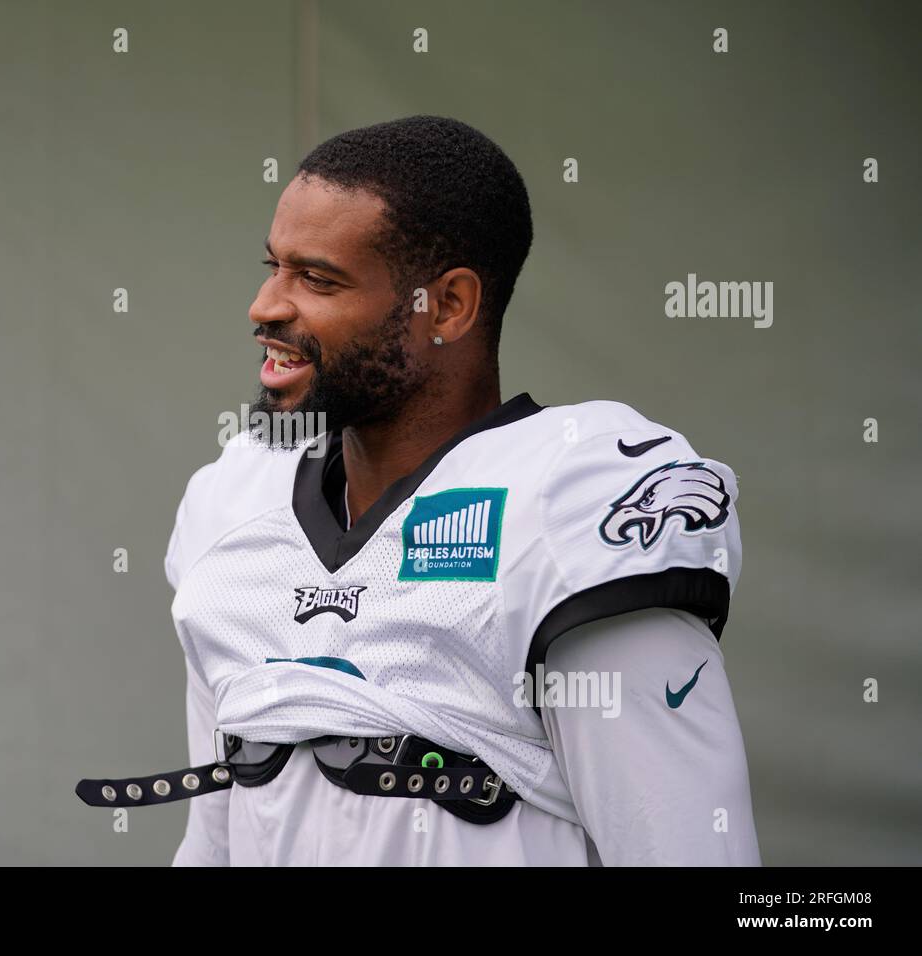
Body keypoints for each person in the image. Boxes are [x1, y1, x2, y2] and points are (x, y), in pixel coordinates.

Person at [159, 115, 759, 865]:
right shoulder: (231, 505)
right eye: (272, 266)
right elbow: (214, 838)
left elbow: (687, 852)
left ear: (446, 307)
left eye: (316, 278)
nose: (266, 305)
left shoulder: (565, 511)